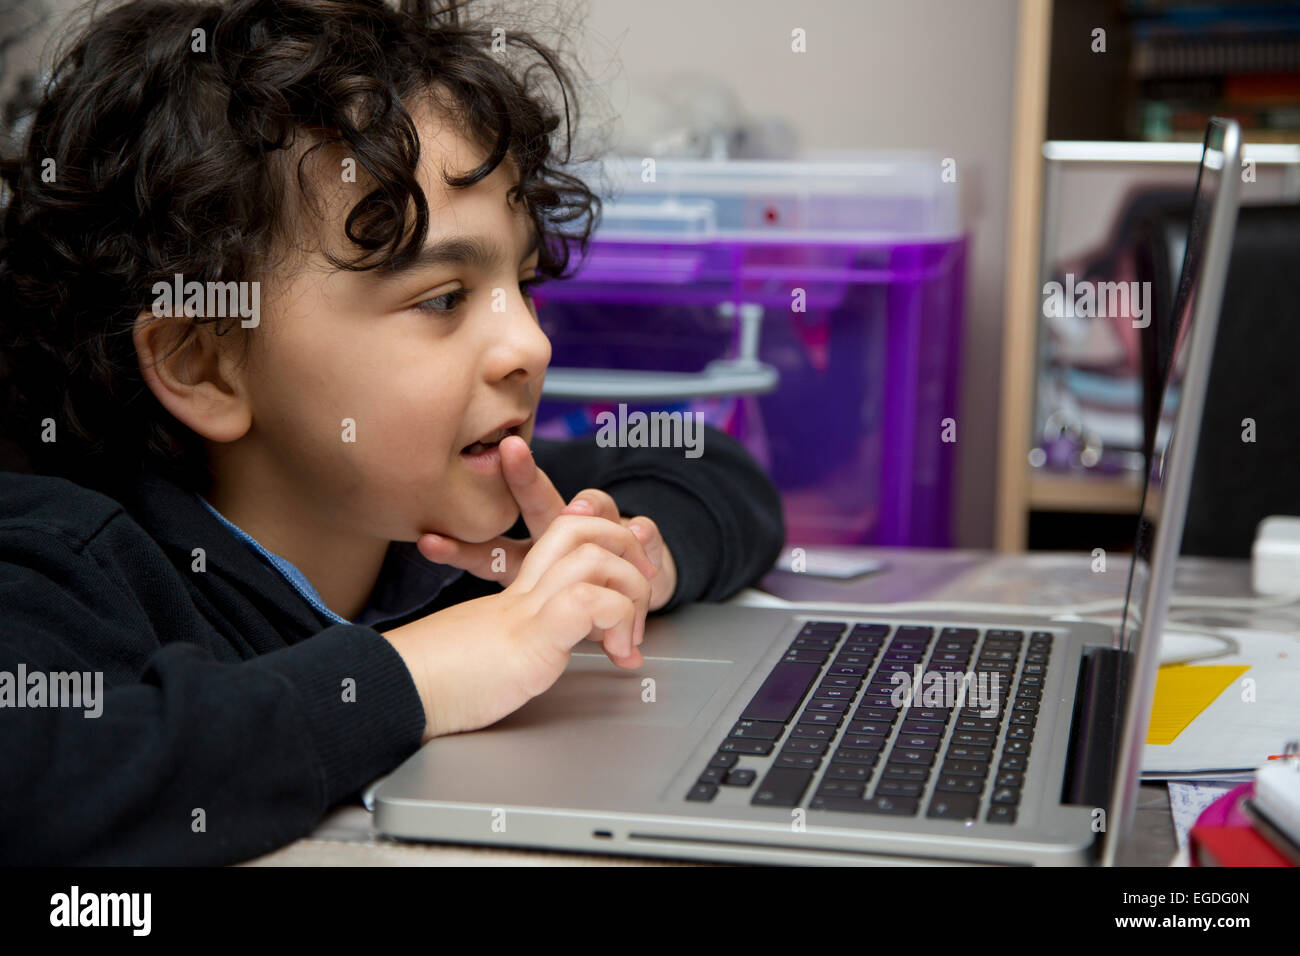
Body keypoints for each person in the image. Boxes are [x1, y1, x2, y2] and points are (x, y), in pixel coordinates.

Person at [0, 0, 784, 864]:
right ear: (205, 364)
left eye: (523, 283)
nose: (530, 342)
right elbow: (39, 782)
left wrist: (628, 556)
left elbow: (713, 466)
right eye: (442, 299)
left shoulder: (453, 511)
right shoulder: (64, 564)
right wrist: (421, 675)